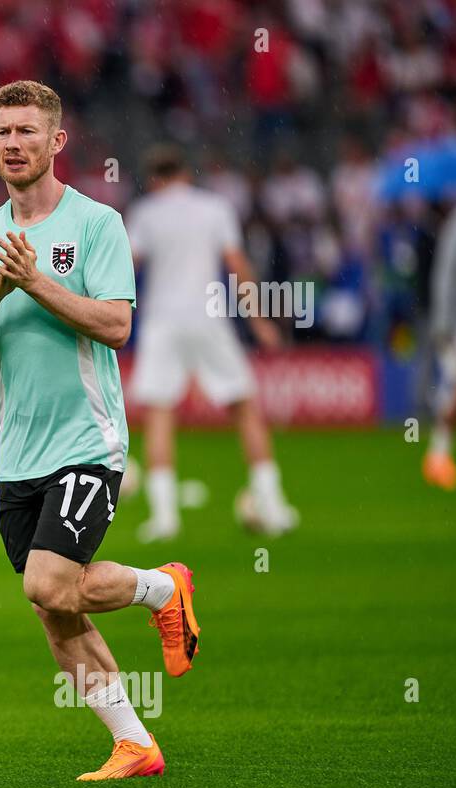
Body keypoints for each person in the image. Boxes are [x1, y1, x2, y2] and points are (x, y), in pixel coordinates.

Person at [0, 81, 200, 781]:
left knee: (49, 585)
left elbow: (116, 325)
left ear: (57, 141)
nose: (14, 144)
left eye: (27, 131)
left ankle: (162, 589)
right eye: (2, 133)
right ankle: (135, 744)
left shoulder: (96, 225)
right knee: (56, 611)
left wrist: (33, 283)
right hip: (15, 455)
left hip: (88, 443)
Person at [125, 145, 297, 539]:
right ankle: (273, 506)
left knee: (159, 414)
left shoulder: (146, 213)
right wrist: (260, 322)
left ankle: (165, 517)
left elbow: (128, 267)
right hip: (208, 317)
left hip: (161, 322)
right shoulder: (214, 208)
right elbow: (237, 265)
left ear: (154, 179)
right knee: (244, 407)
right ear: (186, 173)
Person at [422, 201, 456, 491]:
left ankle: (438, 455)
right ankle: (437, 456)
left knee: (455, 389)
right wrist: (443, 326)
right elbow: (444, 277)